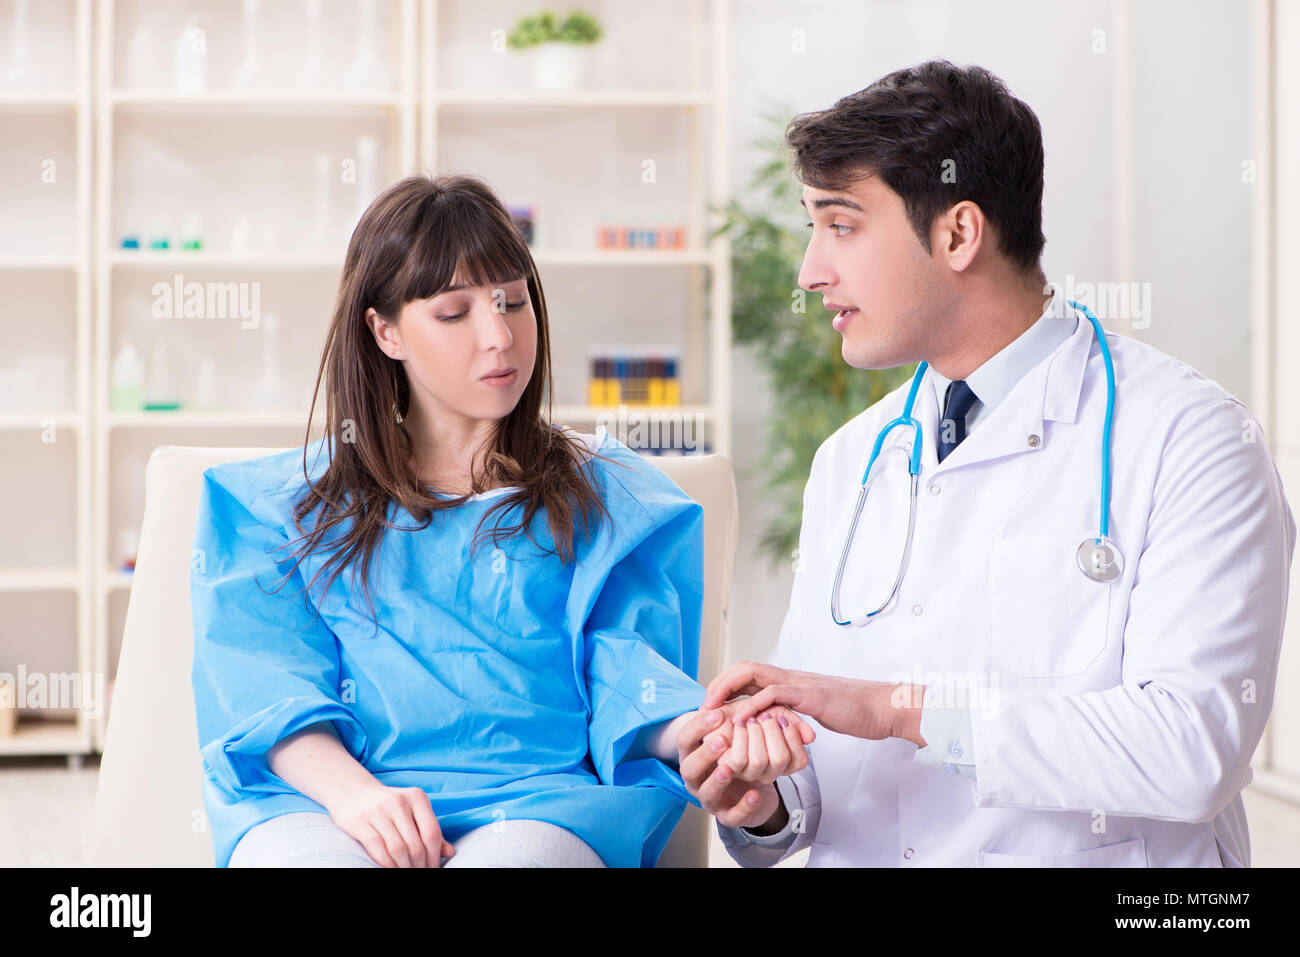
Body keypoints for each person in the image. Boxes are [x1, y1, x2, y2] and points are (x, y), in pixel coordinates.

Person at [679, 60, 1296, 867]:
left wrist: (903, 709)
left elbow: (1191, 749)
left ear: (958, 234)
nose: (810, 272)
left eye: (841, 225)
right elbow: (822, 755)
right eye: (812, 228)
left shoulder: (1192, 439)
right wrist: (765, 801)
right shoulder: (853, 460)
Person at [189, 173, 813, 868]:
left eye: (513, 302)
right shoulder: (280, 508)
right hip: (327, 805)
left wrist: (706, 733)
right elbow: (266, 686)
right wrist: (358, 797)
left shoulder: (613, 499)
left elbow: (629, 678)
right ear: (385, 330)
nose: (500, 337)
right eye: (454, 313)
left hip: (538, 806)